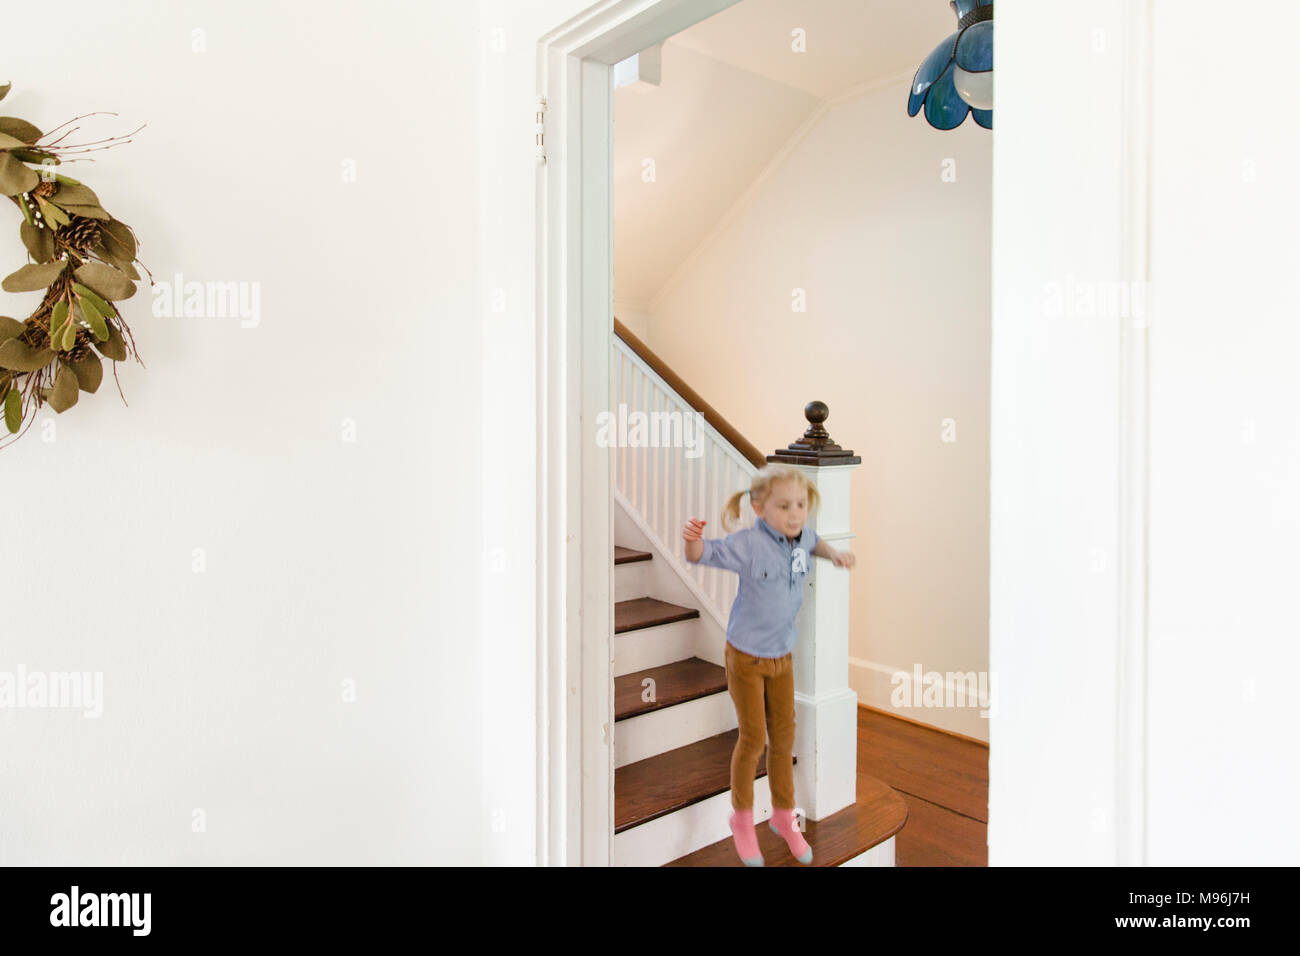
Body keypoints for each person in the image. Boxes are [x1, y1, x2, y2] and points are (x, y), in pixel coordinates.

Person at [683, 463, 855, 866]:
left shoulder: (802, 537)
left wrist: (836, 555)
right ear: (760, 508)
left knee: (784, 738)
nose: (795, 514)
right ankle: (741, 819)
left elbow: (815, 543)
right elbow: (701, 554)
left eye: (800, 505)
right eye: (784, 506)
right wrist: (691, 539)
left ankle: (782, 815)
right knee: (754, 739)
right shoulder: (747, 544)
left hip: (783, 656)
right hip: (745, 657)